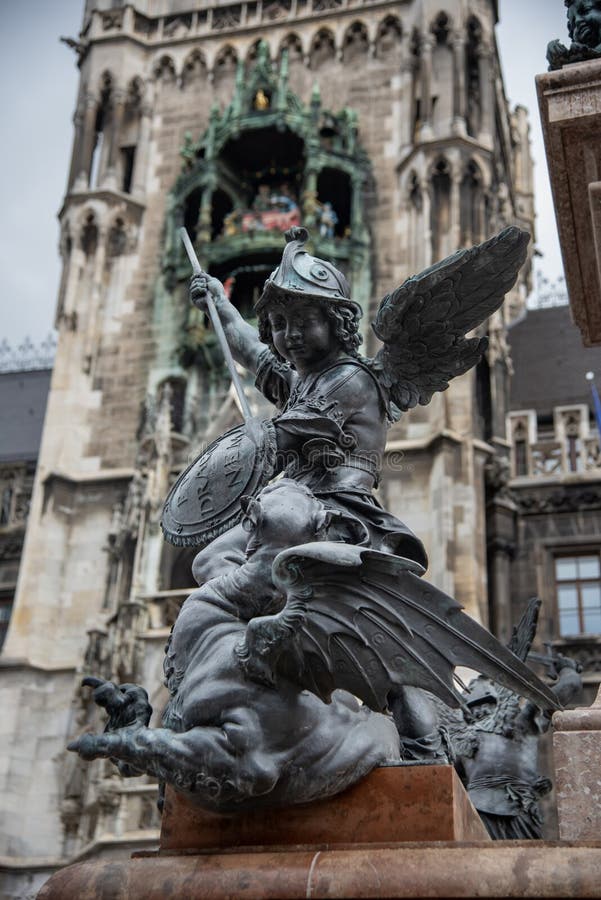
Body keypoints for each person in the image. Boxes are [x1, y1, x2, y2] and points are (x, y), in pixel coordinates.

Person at [188, 227, 426, 587]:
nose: (291, 335)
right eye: (279, 325)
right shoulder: (301, 381)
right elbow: (249, 347)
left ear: (336, 323)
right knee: (212, 560)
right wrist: (219, 304)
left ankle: (271, 617)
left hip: (335, 509)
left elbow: (285, 437)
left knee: (237, 563)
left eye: (304, 322)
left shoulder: (349, 379)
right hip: (293, 501)